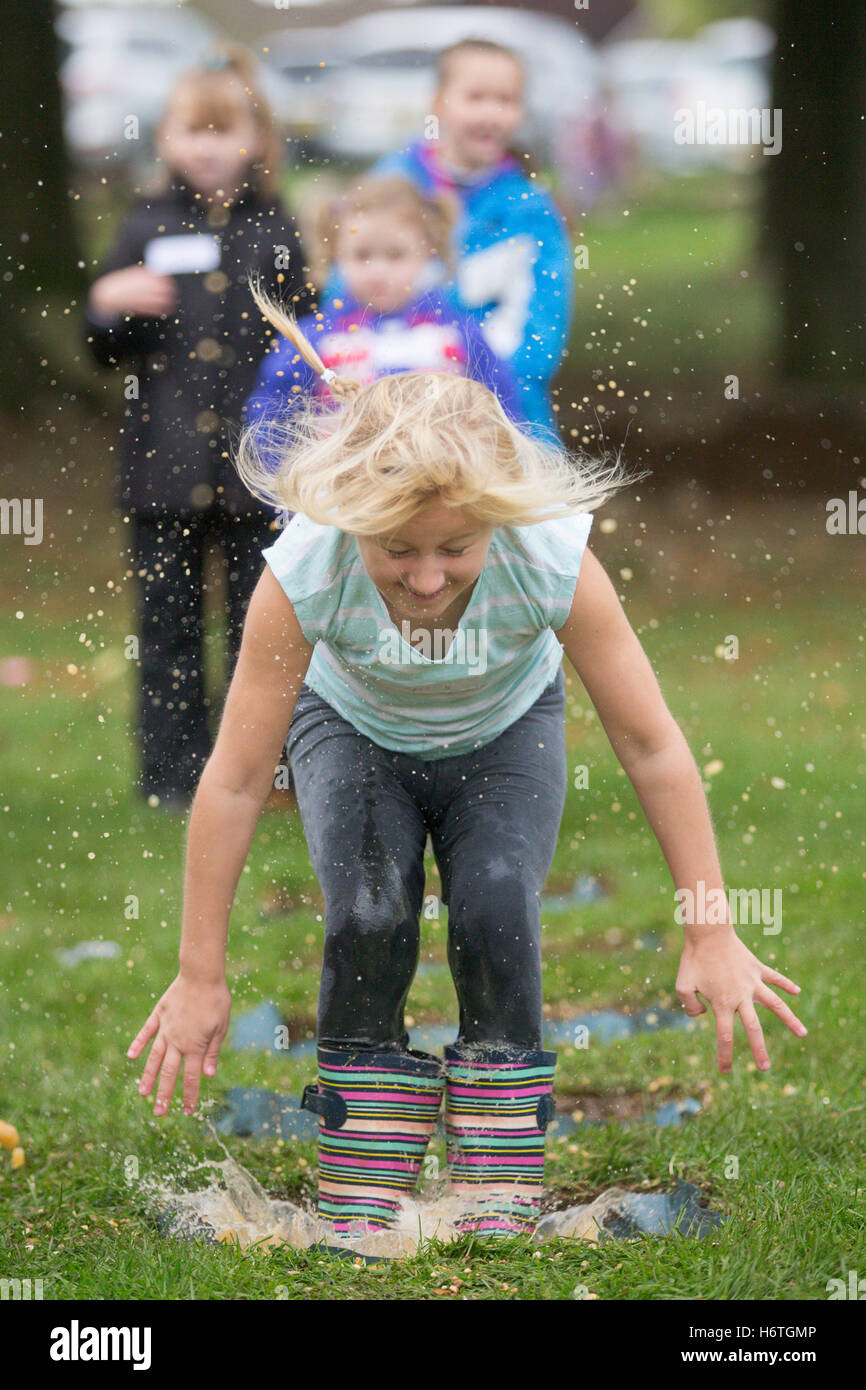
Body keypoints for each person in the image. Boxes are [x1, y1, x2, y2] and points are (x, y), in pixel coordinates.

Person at [127, 296, 807, 1243]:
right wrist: (201, 975)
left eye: (455, 548)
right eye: (395, 551)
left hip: (505, 734)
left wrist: (710, 929)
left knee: (494, 900)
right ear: (352, 521)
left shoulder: (552, 555)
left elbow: (652, 745)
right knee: (370, 909)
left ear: (496, 518)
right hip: (352, 731)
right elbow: (237, 780)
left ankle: (495, 1182)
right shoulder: (305, 572)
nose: (428, 577)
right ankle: (363, 1180)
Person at [83, 45, 316, 811]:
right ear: (167, 140)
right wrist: (106, 302)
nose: (209, 147)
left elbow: (311, 337)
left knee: (260, 631)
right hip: (163, 469)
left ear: (256, 139)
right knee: (167, 630)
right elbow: (104, 350)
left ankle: (259, 772)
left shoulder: (276, 228)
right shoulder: (144, 225)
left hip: (259, 472)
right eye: (194, 130)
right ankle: (169, 778)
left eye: (225, 131)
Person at [243, 174, 526, 526]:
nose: (378, 271)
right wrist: (291, 503)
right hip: (341, 511)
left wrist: (504, 484)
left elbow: (503, 411)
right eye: (362, 256)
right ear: (335, 255)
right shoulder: (313, 339)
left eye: (395, 255)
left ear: (428, 252)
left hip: (447, 510)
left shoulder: (458, 334)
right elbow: (271, 415)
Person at [361, 37, 574, 437]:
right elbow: (348, 295)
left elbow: (542, 329)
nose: (491, 113)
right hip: (396, 424)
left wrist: (480, 401)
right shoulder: (389, 189)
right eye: (476, 97)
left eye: (506, 100)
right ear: (438, 103)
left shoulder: (531, 210)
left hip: (504, 422)